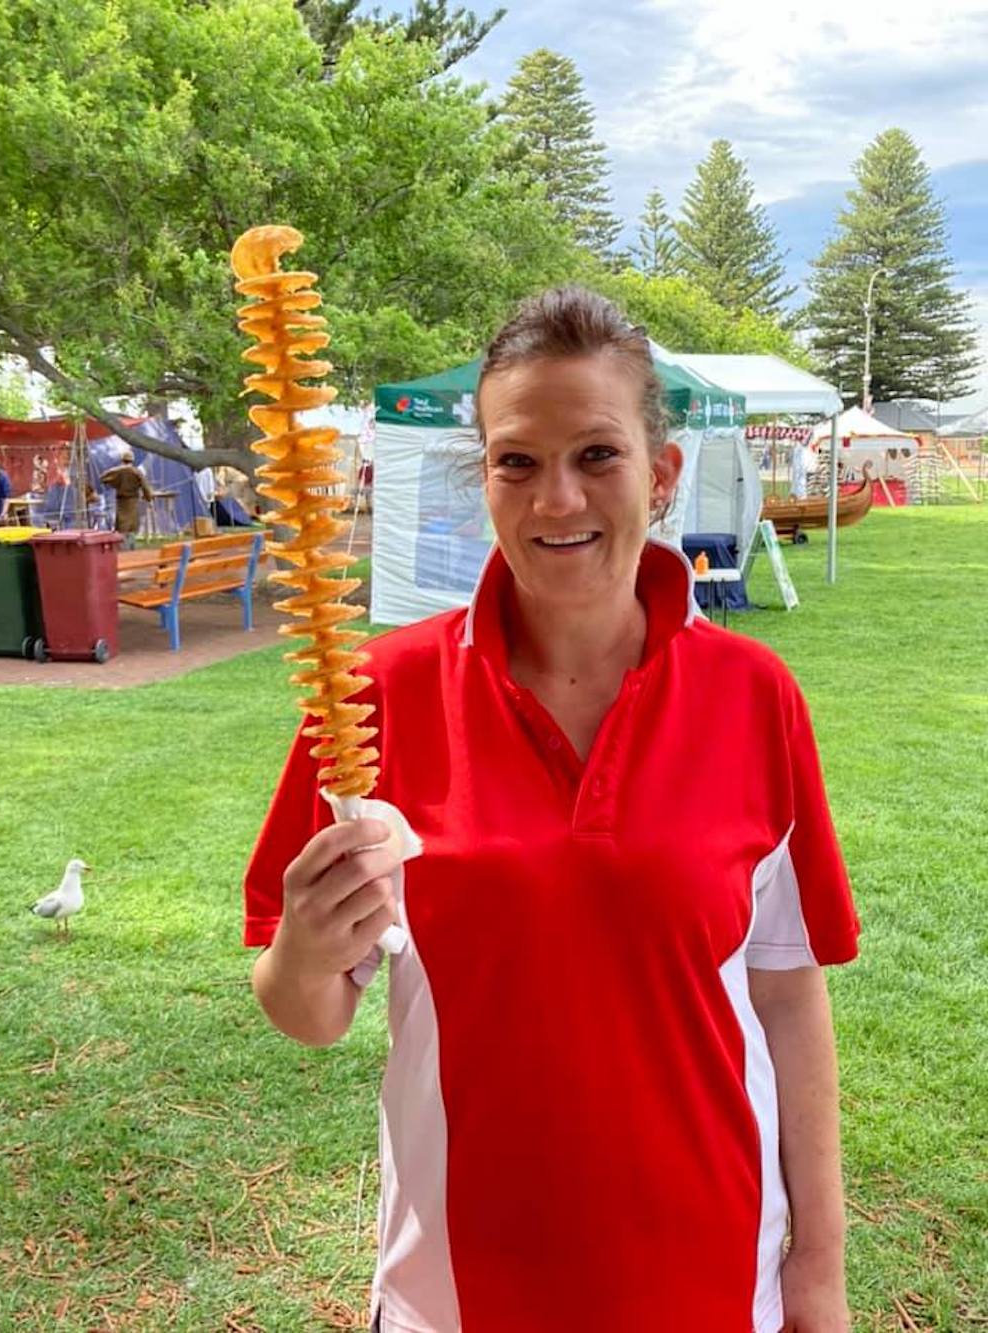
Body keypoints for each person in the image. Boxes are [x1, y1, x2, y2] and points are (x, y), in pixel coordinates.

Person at [244, 288, 860, 1333]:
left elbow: (788, 995)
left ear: (661, 475)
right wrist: (304, 954)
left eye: (597, 455)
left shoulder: (755, 696)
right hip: (456, 1287)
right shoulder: (372, 701)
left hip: (711, 1276)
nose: (556, 498)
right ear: (482, 477)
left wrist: (818, 1264)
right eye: (517, 461)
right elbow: (312, 1013)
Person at [99, 447, 153, 547]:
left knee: (121, 524)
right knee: (132, 525)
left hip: (121, 501)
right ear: (132, 460)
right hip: (133, 501)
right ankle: (131, 546)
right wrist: (148, 497)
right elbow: (145, 486)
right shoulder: (136, 472)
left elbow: (103, 478)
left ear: (122, 460)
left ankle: (121, 546)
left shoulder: (117, 471)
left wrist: (115, 484)